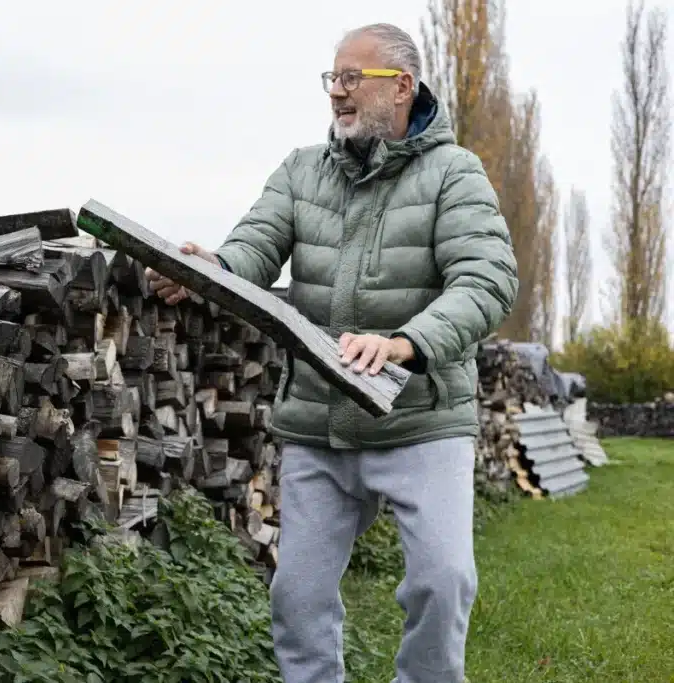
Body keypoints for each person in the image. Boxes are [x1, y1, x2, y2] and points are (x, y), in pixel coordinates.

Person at [145, 22, 518, 683]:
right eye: (332, 79)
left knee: (443, 581)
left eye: (353, 78)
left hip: (420, 419)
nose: (338, 94)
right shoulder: (300, 172)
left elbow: (488, 280)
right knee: (298, 596)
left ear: (402, 86)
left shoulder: (453, 174)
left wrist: (407, 342)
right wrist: (209, 268)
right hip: (319, 421)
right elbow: (252, 250)